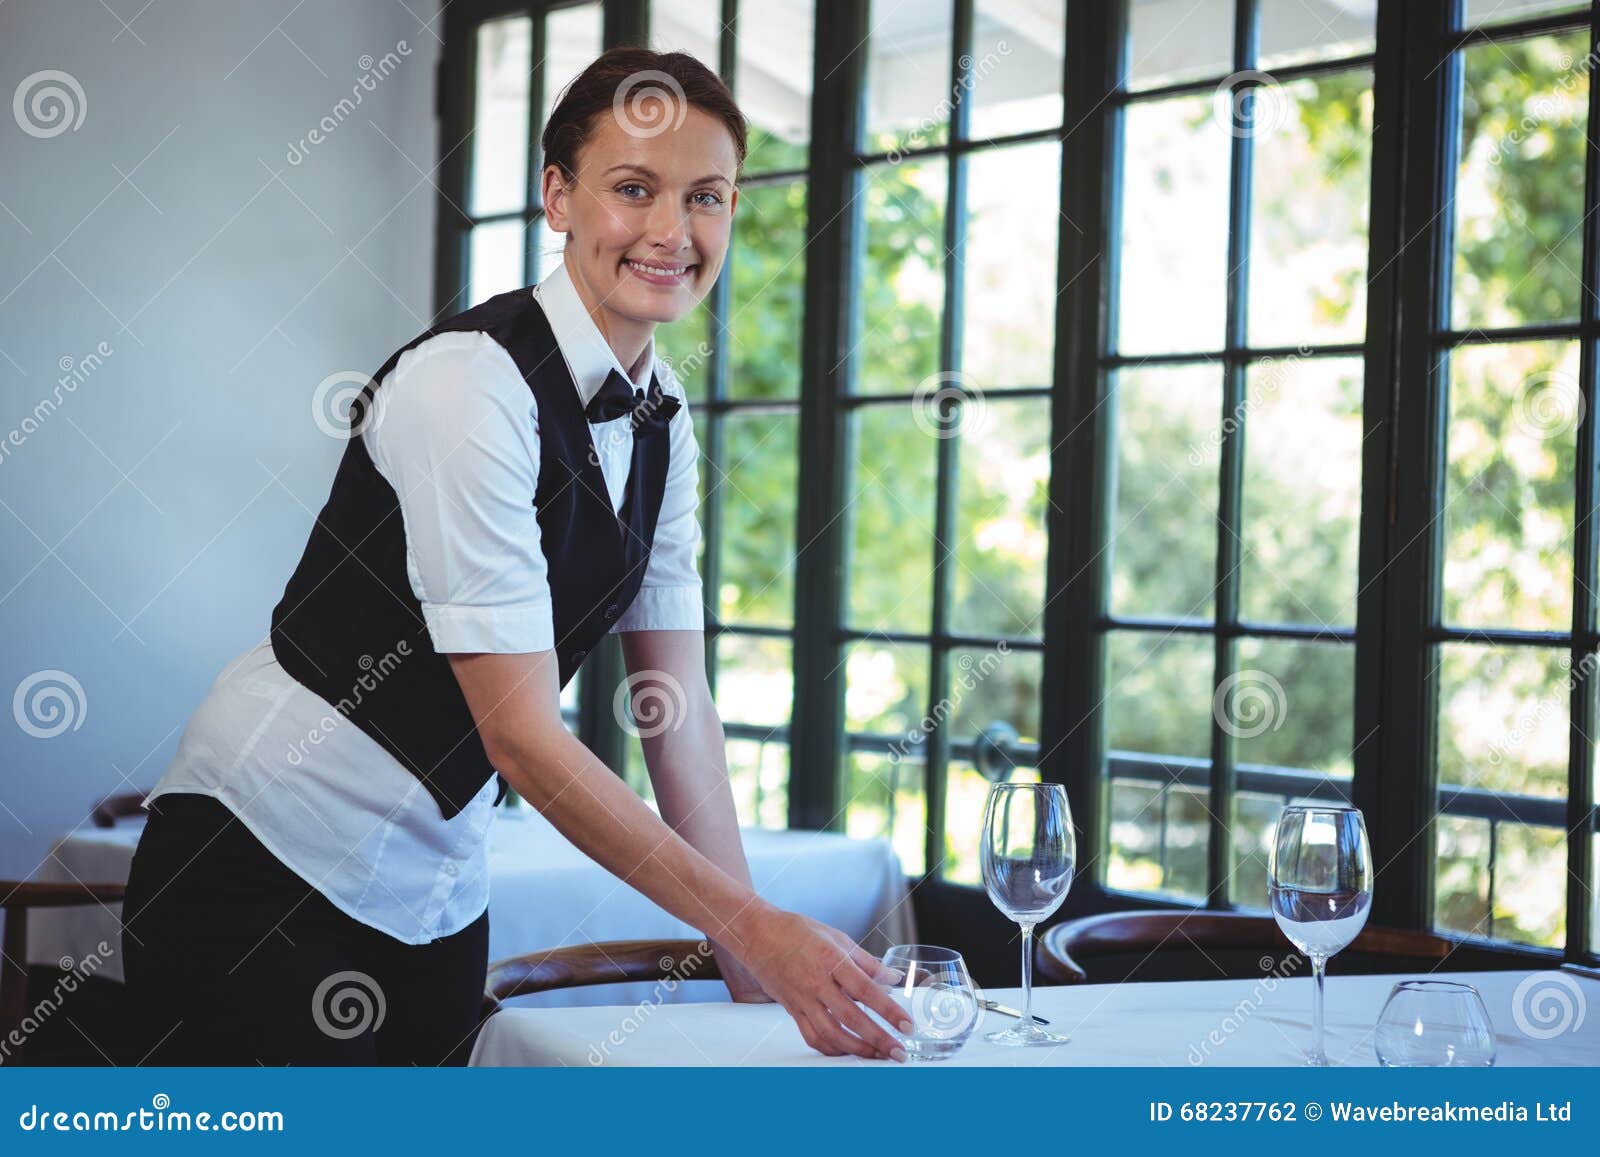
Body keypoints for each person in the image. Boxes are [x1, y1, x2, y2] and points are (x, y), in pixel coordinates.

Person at [118, 45, 913, 1066]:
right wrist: (758, 927)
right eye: (635, 188)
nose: (674, 231)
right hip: (261, 854)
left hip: (438, 878)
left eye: (707, 197)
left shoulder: (666, 425)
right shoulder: (469, 386)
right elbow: (523, 741)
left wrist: (742, 946)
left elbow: (678, 706)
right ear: (557, 197)